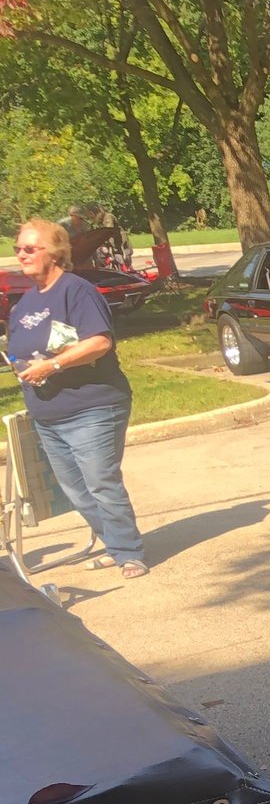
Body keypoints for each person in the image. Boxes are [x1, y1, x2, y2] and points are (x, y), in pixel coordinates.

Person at [7, 217, 146, 577]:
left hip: (93, 406)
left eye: (29, 248)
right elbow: (22, 350)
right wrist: (21, 365)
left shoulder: (76, 290)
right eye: (17, 248)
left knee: (100, 480)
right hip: (47, 414)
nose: (21, 254)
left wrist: (51, 367)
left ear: (54, 253)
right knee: (75, 490)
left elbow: (99, 342)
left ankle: (129, 552)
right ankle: (112, 543)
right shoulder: (21, 307)